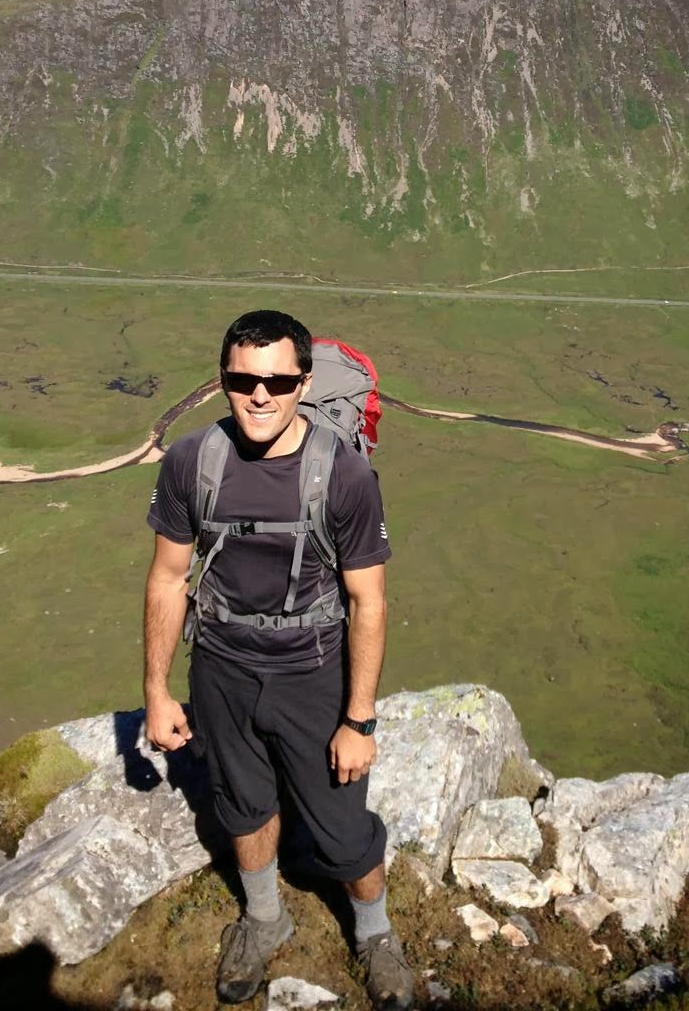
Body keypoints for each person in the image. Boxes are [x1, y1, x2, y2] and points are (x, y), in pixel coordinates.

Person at [143, 309, 413, 1008]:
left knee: (342, 830)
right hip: (221, 668)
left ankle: (376, 934)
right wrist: (157, 691)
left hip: (313, 674)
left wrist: (358, 720)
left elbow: (369, 601)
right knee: (242, 805)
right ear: (222, 381)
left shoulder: (345, 476)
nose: (259, 395)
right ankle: (265, 918)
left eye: (278, 381)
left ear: (304, 383)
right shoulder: (190, 462)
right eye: (242, 380)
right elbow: (168, 579)